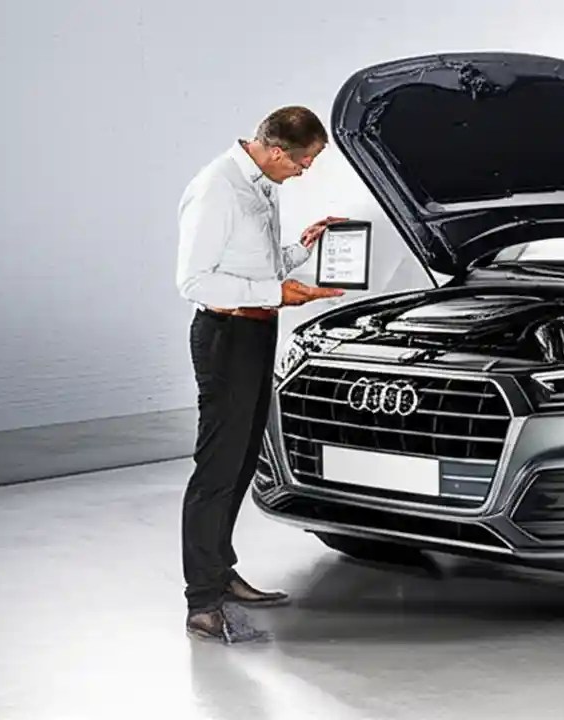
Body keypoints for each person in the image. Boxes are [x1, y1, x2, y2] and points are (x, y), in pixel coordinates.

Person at [174, 105, 345, 642]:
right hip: (224, 337)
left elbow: (257, 263)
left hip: (256, 334)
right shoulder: (217, 189)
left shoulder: (263, 183)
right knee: (216, 469)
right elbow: (196, 281)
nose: (305, 171)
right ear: (276, 152)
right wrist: (277, 294)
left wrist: (304, 247)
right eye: (305, 162)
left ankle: (221, 573)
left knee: (245, 458)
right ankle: (201, 602)